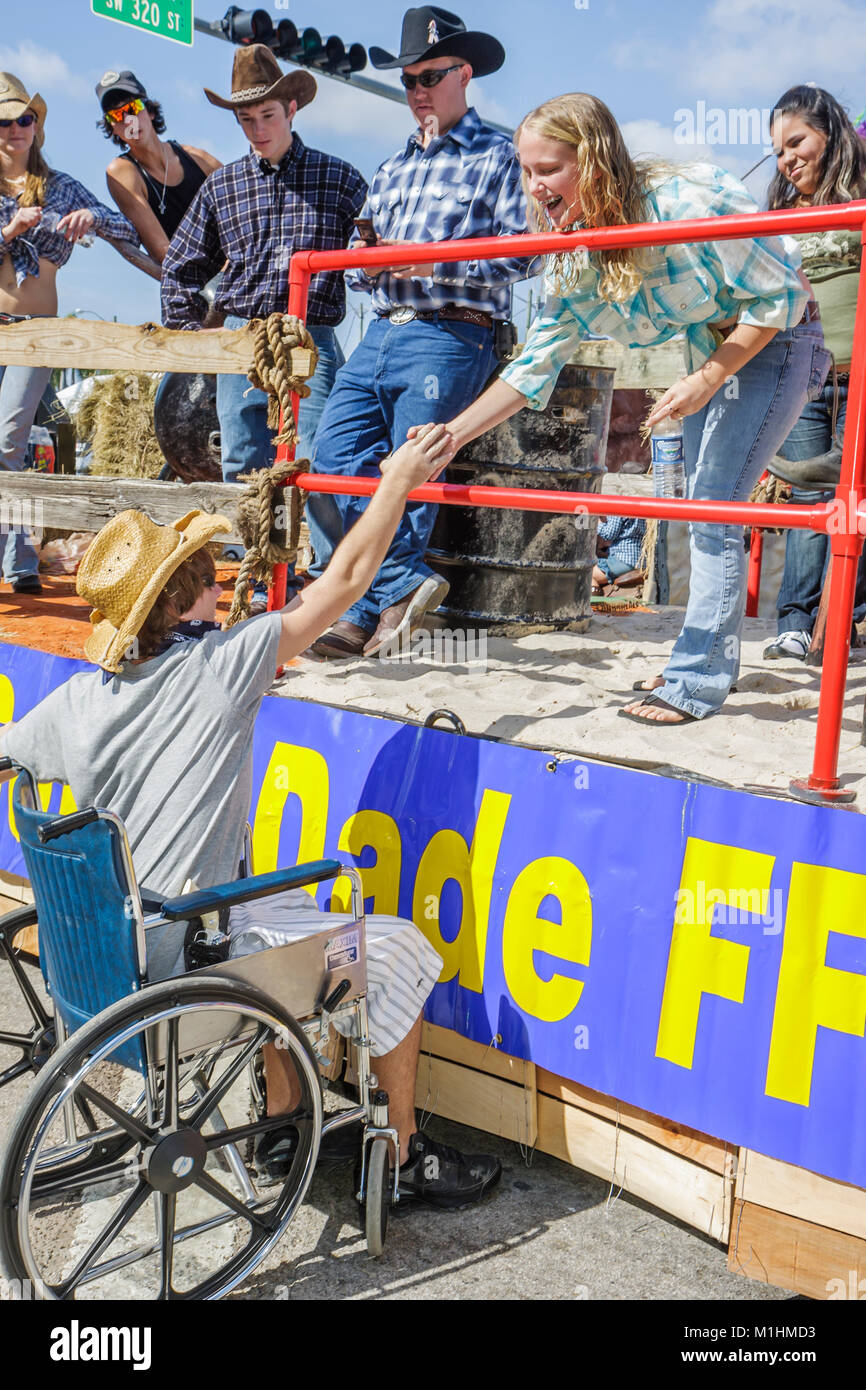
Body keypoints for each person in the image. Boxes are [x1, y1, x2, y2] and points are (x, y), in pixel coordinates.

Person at [0, 420, 502, 1208]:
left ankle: (279, 1120)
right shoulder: (219, 669)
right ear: (185, 598)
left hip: (105, 959)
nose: (224, 585)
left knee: (274, 904)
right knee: (397, 945)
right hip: (185, 969)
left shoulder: (76, 700)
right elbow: (343, 584)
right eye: (209, 577)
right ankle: (405, 1156)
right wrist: (397, 481)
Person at [432, 92, 827, 722]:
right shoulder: (572, 252)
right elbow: (536, 364)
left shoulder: (687, 203)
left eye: (548, 170)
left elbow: (776, 298)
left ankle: (695, 683)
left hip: (779, 340)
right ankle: (692, 661)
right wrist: (449, 438)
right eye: (527, 172)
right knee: (700, 505)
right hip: (712, 348)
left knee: (712, 505)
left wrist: (705, 377)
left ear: (590, 161)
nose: (535, 187)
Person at [304, 6, 538, 660]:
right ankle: (393, 586)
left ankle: (365, 606)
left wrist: (433, 260)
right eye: (409, 80)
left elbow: (526, 254)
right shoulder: (391, 166)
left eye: (430, 77)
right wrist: (367, 253)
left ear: (464, 74)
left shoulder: (501, 157)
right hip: (385, 327)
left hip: (453, 330)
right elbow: (358, 270)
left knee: (403, 472)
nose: (417, 92)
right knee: (329, 461)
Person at [161, 44, 366, 493]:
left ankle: (319, 562)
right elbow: (180, 267)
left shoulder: (341, 179)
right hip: (240, 336)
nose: (257, 129)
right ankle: (249, 557)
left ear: (291, 109)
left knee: (317, 453)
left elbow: (371, 252)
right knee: (241, 455)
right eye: (246, 119)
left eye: (267, 115)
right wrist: (192, 333)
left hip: (312, 334)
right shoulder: (222, 186)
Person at [0, 71, 137, 595]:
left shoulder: (56, 185)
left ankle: (18, 564)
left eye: (25, 118)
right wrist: (10, 230)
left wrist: (89, 219)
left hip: (35, 330)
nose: (16, 128)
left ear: (37, 125)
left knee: (9, 439)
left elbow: (116, 221)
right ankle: (16, 559)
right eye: (6, 120)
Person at [761, 85, 866, 662]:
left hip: (863, 371)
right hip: (803, 372)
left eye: (796, 141)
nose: (787, 159)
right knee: (804, 491)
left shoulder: (864, 195)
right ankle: (794, 621)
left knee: (857, 497)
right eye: (778, 151)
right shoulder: (779, 216)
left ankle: (847, 618)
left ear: (832, 133)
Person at [96, 69, 221, 264]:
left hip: (241, 266)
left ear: (150, 111)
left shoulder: (197, 158)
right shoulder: (122, 172)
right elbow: (164, 253)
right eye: (116, 116)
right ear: (112, 128)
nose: (127, 120)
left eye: (132, 108)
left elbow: (248, 204)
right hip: (197, 284)